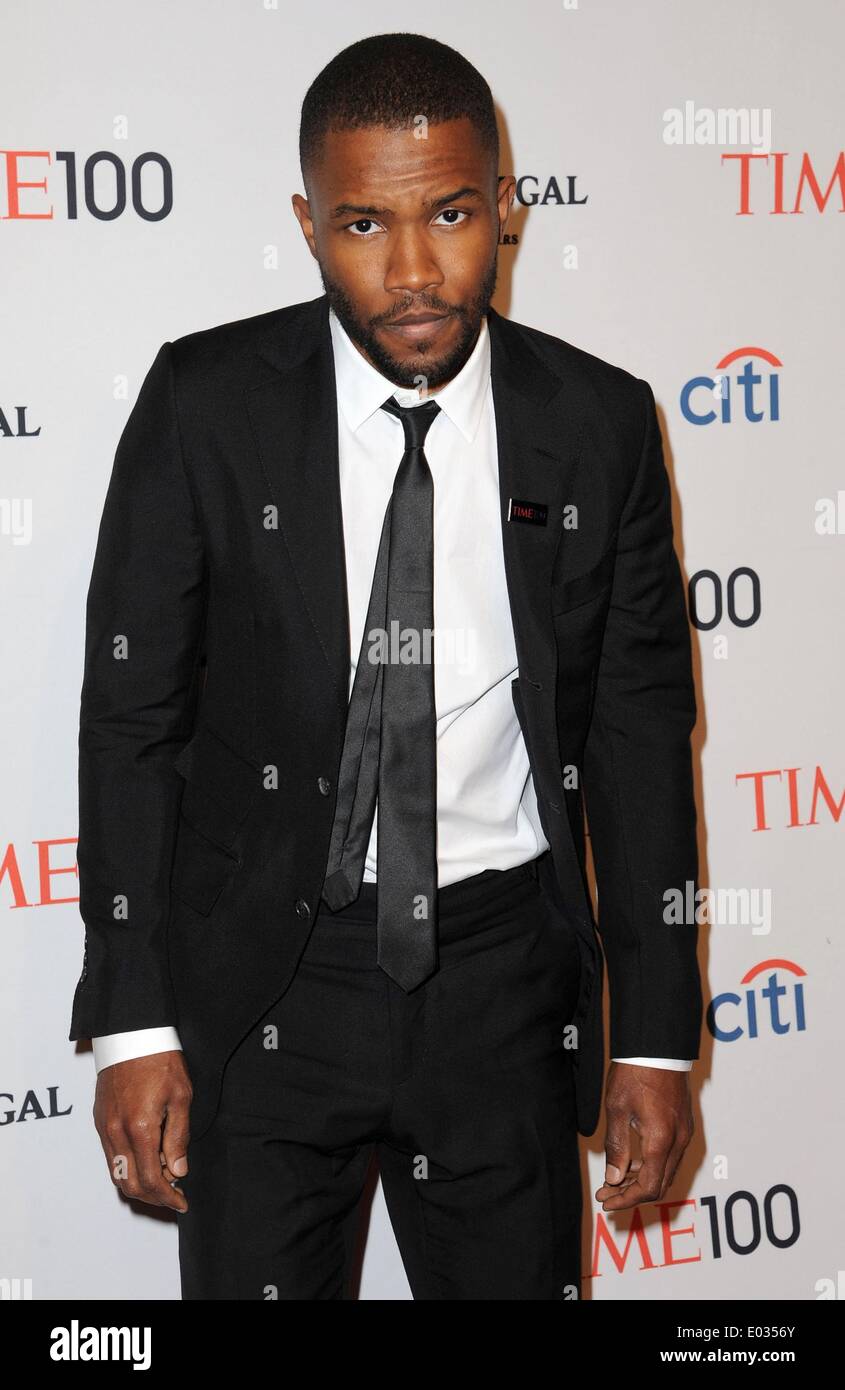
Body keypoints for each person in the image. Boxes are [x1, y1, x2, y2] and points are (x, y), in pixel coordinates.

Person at [69, 32, 702, 1300]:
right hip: (265, 988)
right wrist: (134, 1021)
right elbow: (132, 719)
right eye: (363, 222)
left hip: (501, 986)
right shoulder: (207, 406)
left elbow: (636, 737)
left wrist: (653, 1040)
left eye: (452, 213)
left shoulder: (597, 424)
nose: (413, 270)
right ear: (306, 222)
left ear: (507, 208)